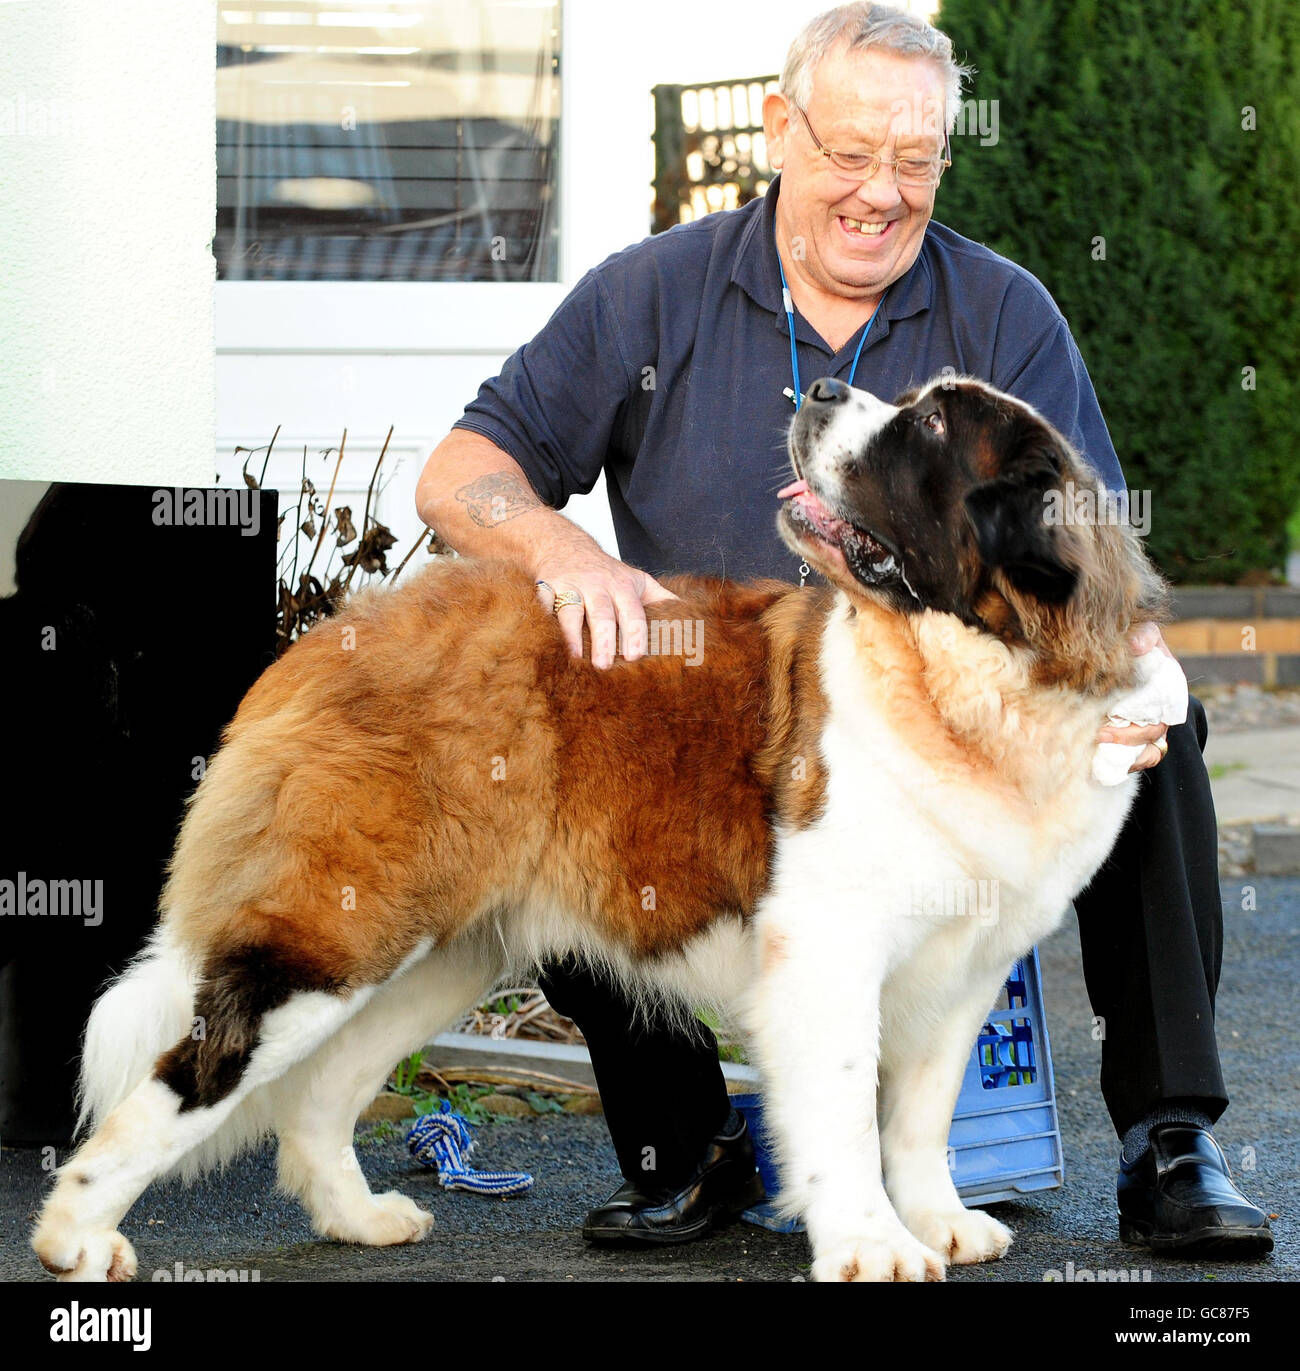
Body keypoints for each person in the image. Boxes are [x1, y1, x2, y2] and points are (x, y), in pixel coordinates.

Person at [415, 2, 1272, 1258]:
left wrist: (1131, 678)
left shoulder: (1006, 311)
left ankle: (1169, 1138)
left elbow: (1086, 564)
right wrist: (562, 552)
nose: (879, 191)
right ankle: (684, 1142)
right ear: (779, 131)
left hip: (923, 733)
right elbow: (460, 472)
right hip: (716, 728)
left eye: (913, 160)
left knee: (1157, 730)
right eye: (849, 151)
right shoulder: (647, 294)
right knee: (585, 740)